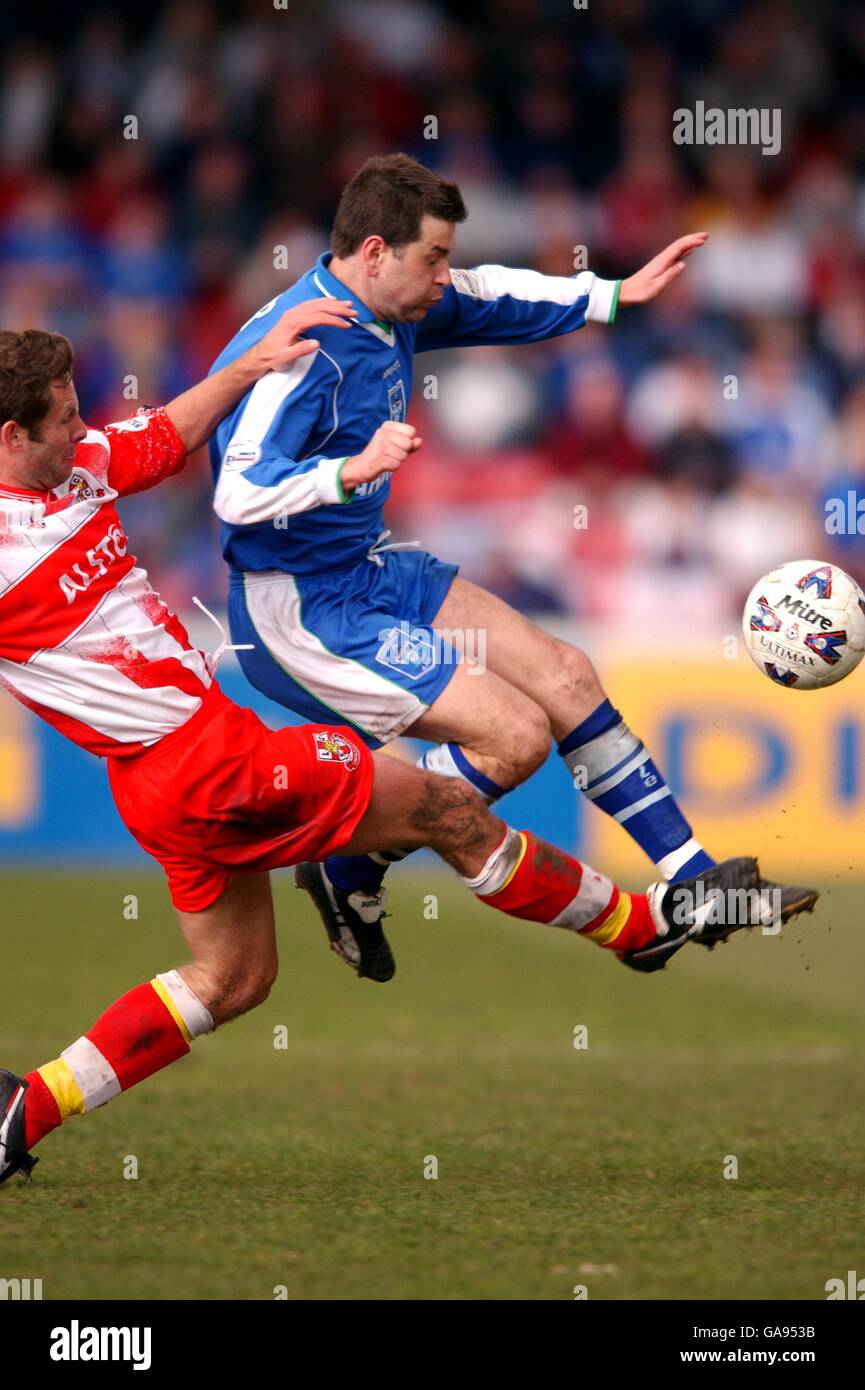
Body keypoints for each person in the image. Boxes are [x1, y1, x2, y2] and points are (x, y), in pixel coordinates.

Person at [0, 323, 816, 1185]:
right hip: (211, 763)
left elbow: (164, 438)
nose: (82, 428)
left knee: (232, 980)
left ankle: (28, 1110)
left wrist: (249, 361)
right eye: (63, 418)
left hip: (166, 784)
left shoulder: (77, 462)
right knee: (453, 814)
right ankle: (643, 927)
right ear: (12, 436)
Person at [208, 152, 800, 970]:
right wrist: (345, 471)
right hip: (300, 606)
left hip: (369, 567)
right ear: (375, 252)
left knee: (564, 673)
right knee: (514, 737)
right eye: (433, 259)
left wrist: (614, 294)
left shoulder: (392, 302)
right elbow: (235, 493)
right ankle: (352, 856)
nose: (444, 277)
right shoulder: (305, 347)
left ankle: (689, 881)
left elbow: (489, 294)